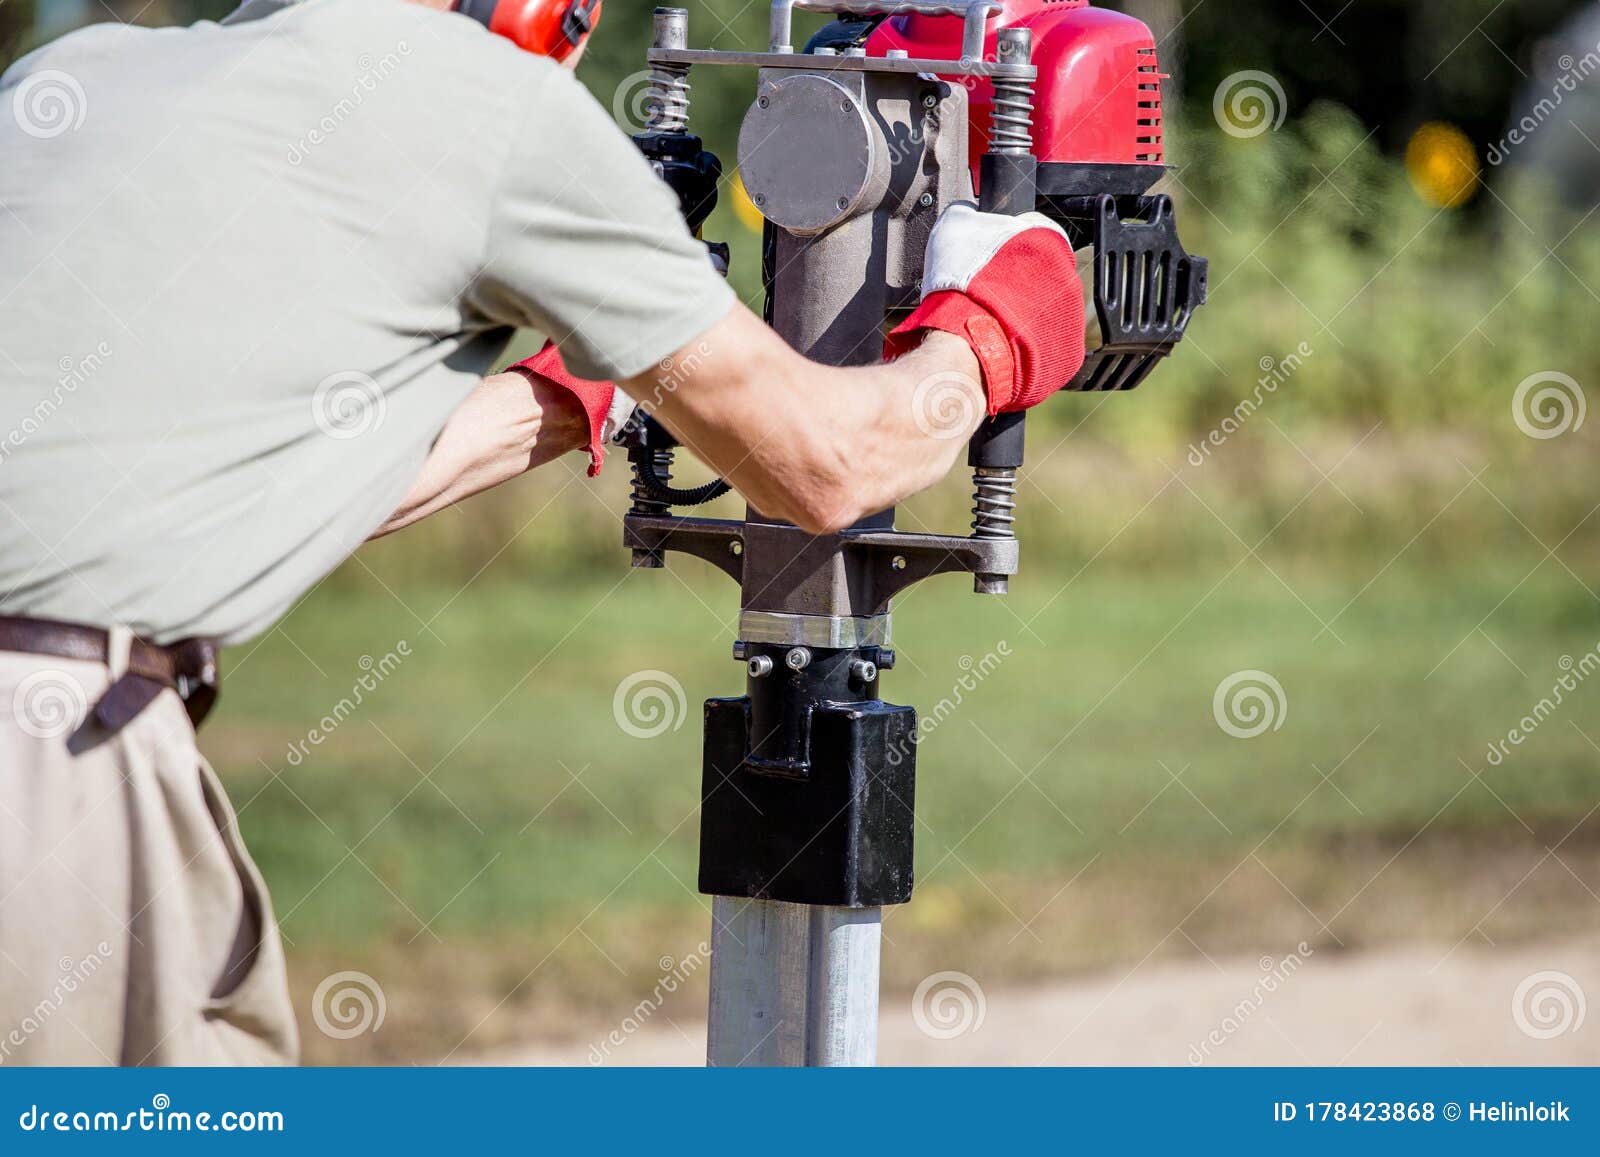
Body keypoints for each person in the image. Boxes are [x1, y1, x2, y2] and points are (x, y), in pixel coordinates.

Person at [0, 0, 1085, 1064]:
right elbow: (829, 461)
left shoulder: (76, 79)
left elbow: (240, 487)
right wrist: (987, 330)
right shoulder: (491, 106)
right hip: (53, 763)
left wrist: (584, 385)